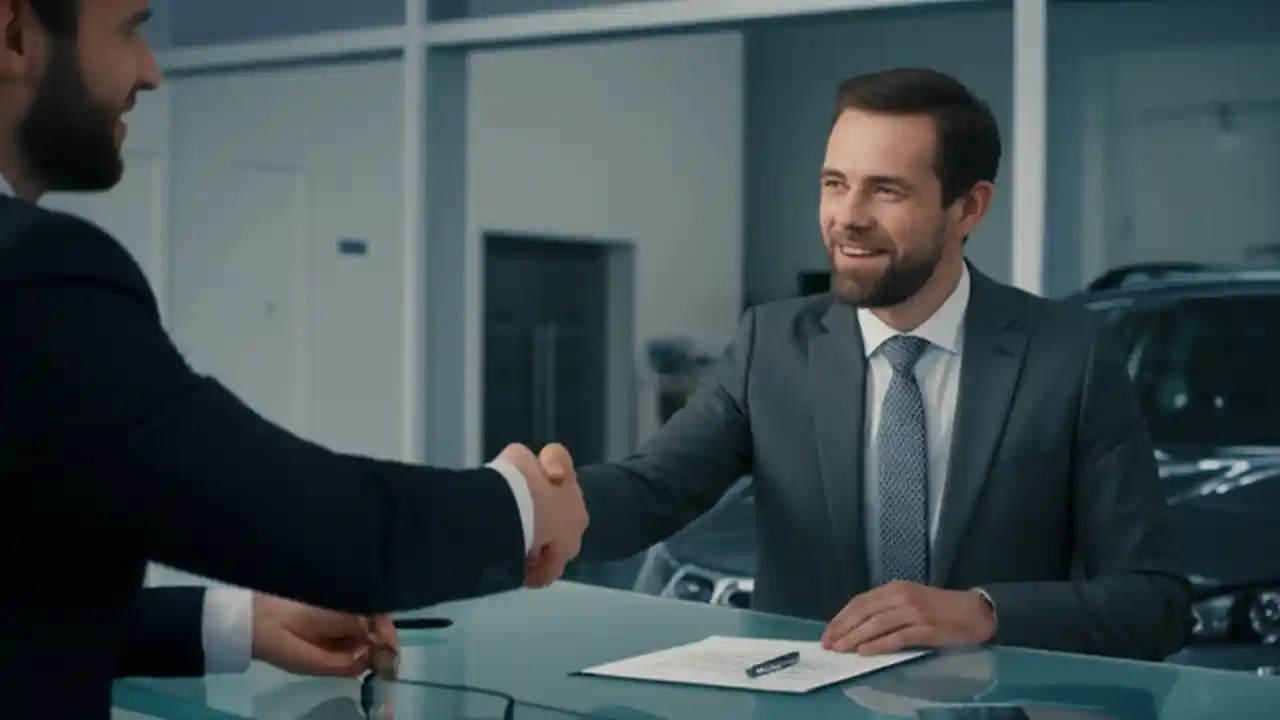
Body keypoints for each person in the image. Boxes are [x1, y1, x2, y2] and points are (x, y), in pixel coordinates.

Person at [0, 0, 588, 715]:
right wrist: (521, 502)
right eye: (130, 28)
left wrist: (244, 622)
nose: (150, 72)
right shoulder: (34, 271)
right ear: (14, 32)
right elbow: (331, 529)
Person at [557, 68, 1190, 660]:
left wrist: (985, 613)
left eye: (885, 190)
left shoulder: (1068, 355)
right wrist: (524, 507)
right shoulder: (770, 345)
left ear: (968, 208)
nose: (848, 218)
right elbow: (654, 489)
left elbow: (1154, 603)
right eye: (836, 184)